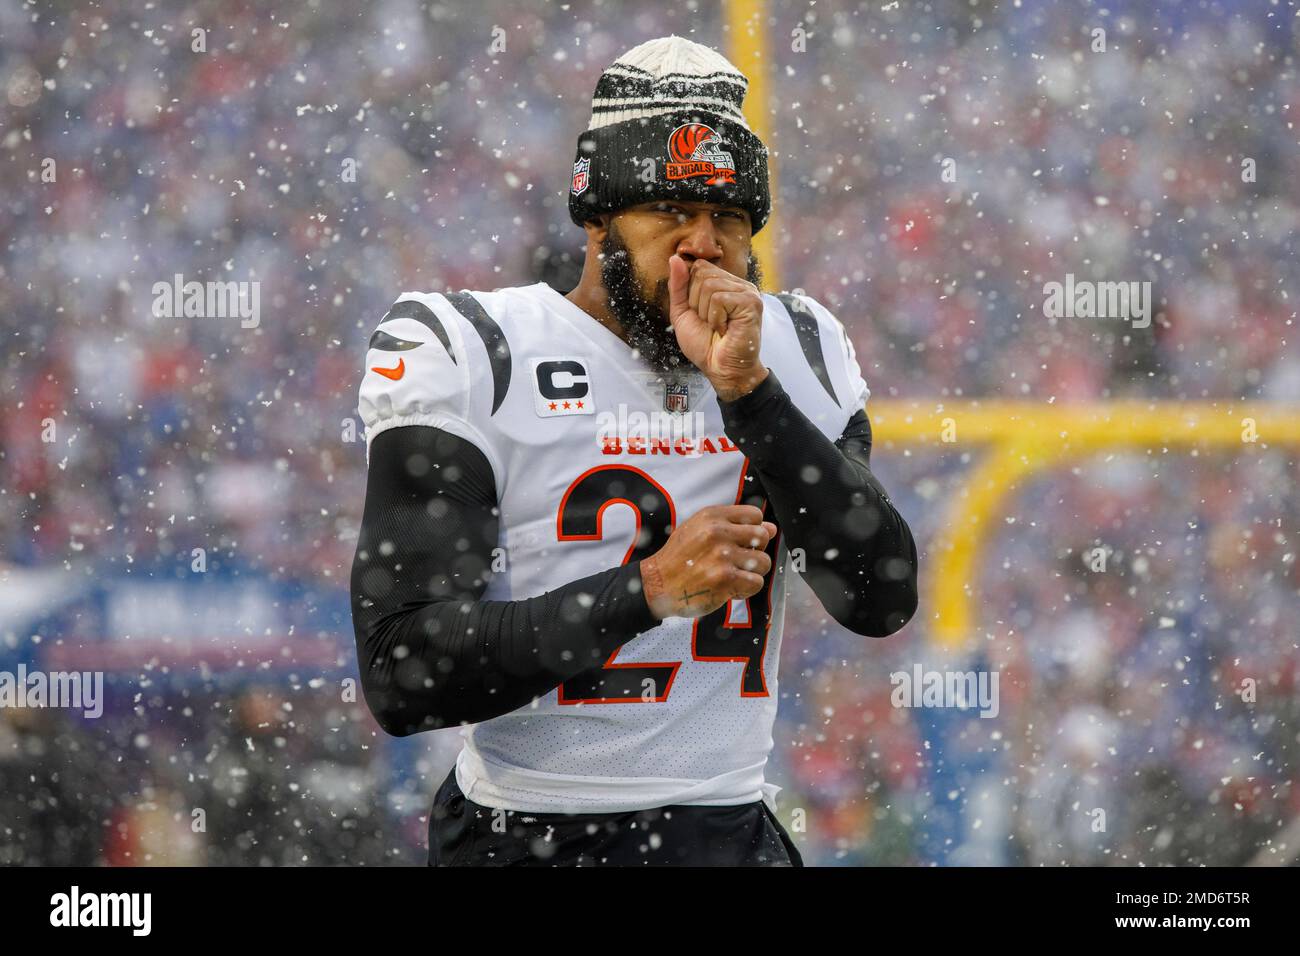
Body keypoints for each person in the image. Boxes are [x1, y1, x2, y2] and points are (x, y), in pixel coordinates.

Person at [350, 34, 918, 866]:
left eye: (728, 215)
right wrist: (646, 590)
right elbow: (405, 671)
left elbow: (880, 598)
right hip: (529, 834)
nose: (702, 242)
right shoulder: (474, 347)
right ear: (597, 216)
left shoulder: (796, 345)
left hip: (728, 829)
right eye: (669, 210)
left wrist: (751, 395)